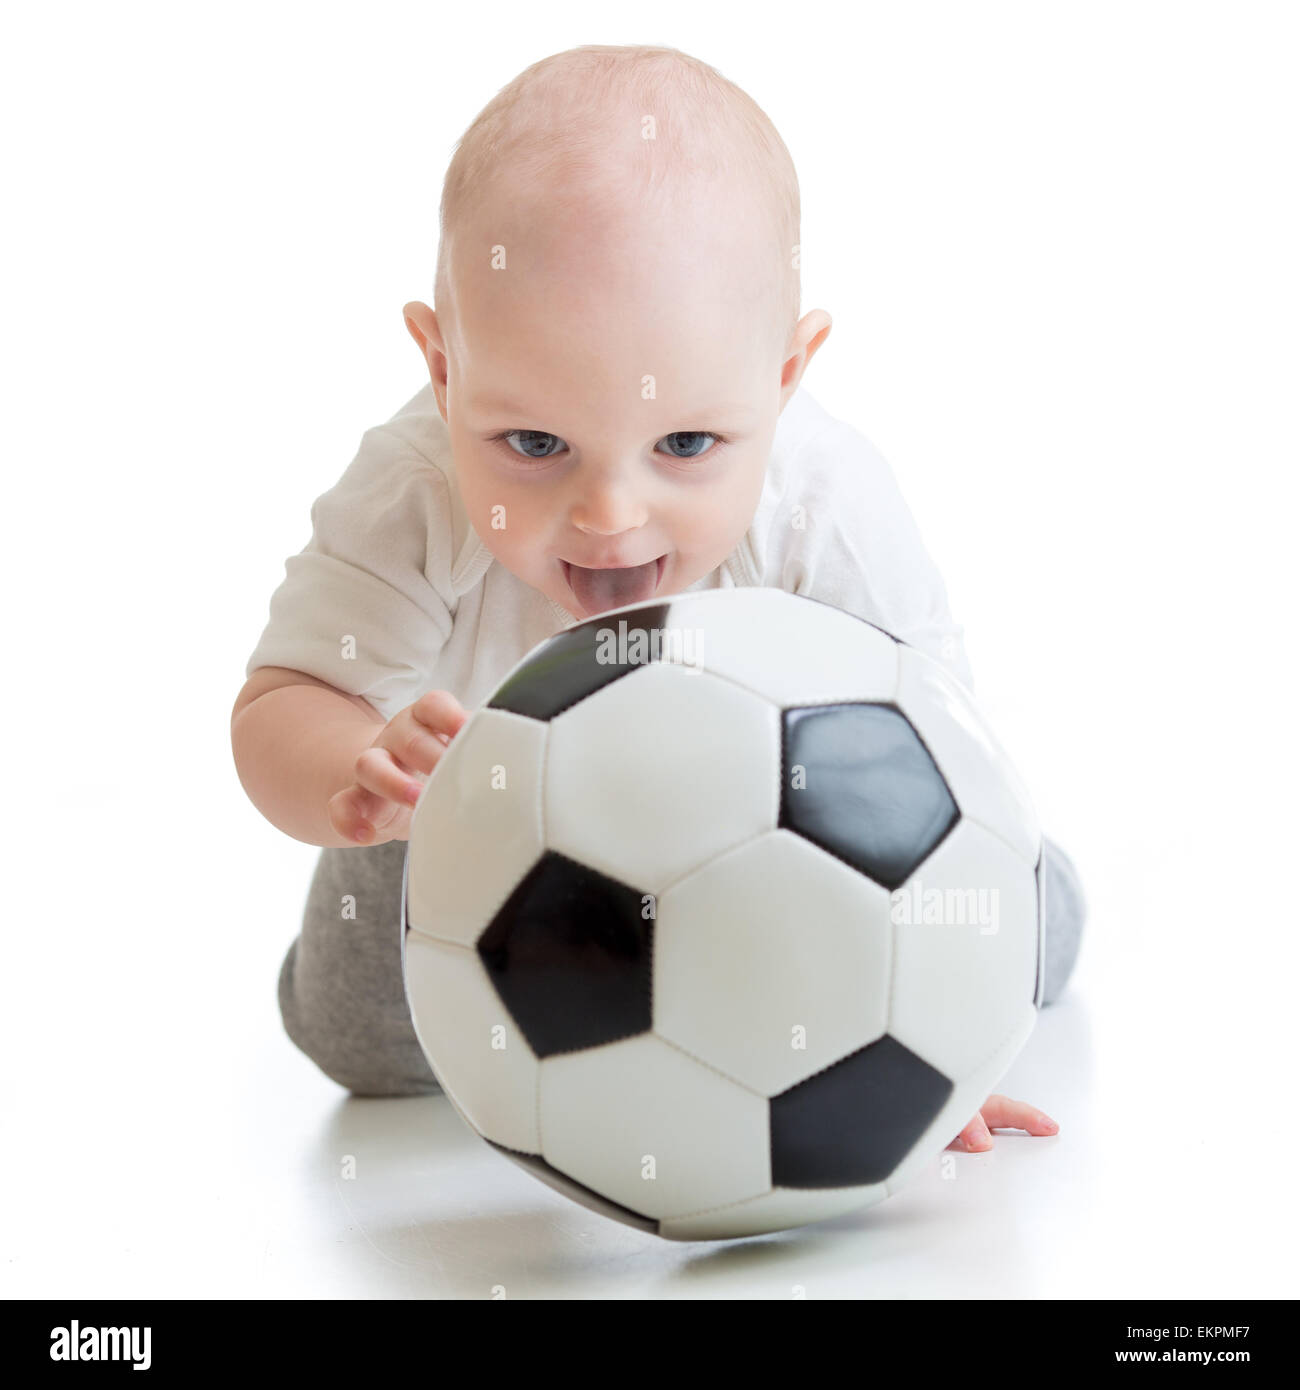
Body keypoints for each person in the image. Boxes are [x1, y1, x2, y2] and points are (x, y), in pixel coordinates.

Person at [230, 45, 1085, 1156]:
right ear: (444, 372)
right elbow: (281, 700)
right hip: (479, 842)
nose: (608, 514)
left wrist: (929, 1045)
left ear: (784, 377)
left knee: (1027, 930)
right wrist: (360, 770)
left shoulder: (820, 504)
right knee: (356, 1035)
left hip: (771, 840)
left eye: (687, 442)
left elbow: (933, 765)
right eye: (532, 442)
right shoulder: (412, 493)